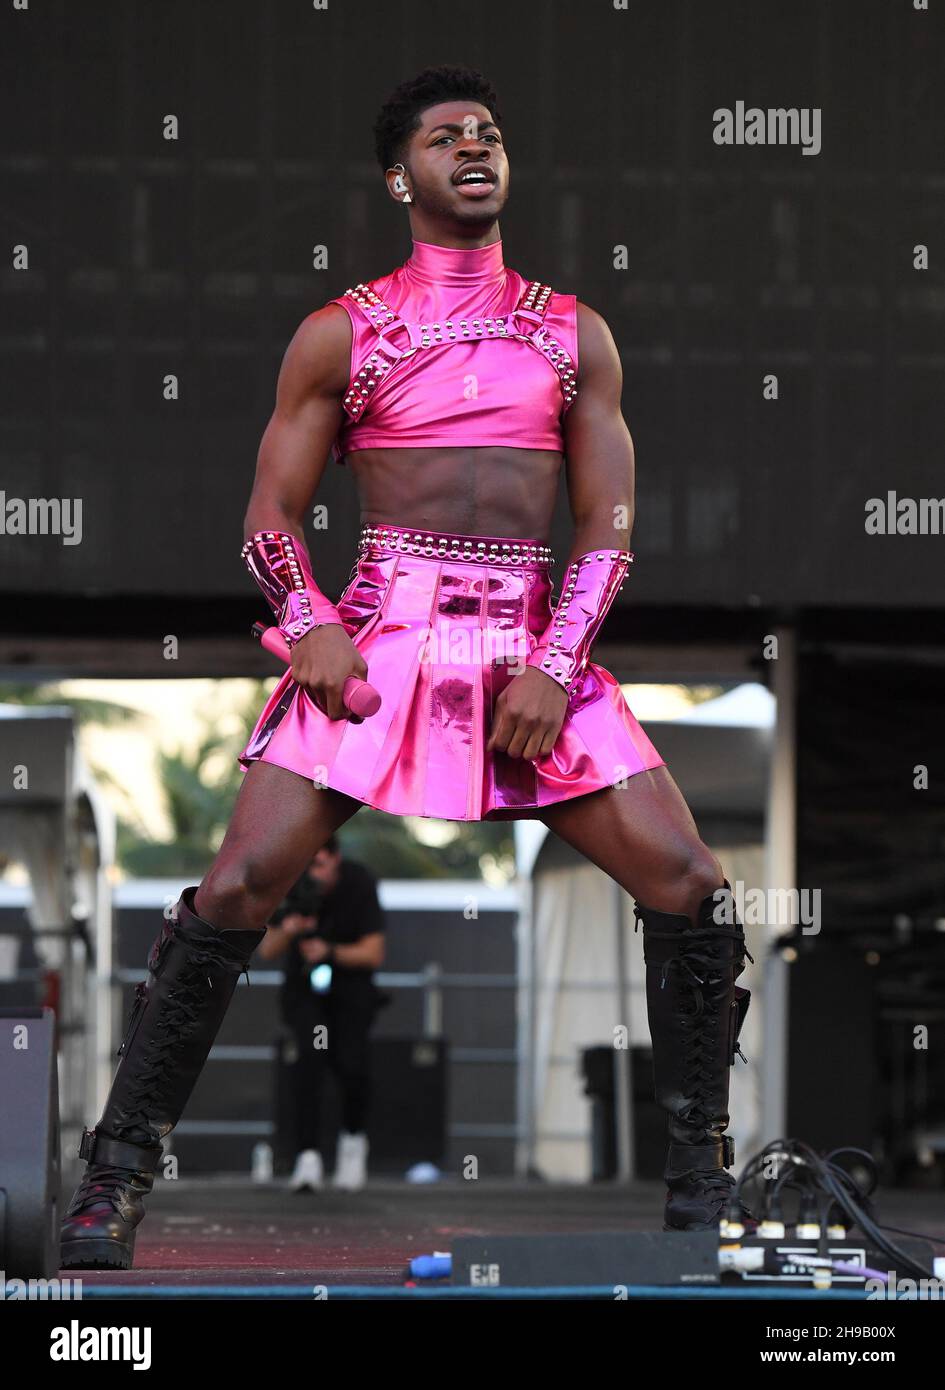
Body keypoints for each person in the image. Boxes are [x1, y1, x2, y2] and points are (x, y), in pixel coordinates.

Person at [60, 65, 753, 1271]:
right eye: (446, 138)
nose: (475, 147)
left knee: (693, 885)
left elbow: (609, 528)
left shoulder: (575, 332)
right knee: (234, 890)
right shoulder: (343, 329)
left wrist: (553, 661)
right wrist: (309, 616)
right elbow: (270, 513)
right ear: (402, 176)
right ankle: (113, 1177)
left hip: (531, 642)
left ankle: (703, 1192)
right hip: (382, 635)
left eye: (488, 134)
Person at [258, 838, 385, 1191]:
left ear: (335, 860)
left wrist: (329, 952)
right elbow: (267, 948)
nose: (312, 874)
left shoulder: (359, 883)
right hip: (305, 993)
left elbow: (373, 953)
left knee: (352, 1065)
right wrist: (290, 929)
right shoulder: (287, 882)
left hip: (350, 993)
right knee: (306, 1066)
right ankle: (307, 1156)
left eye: (319, 864)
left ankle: (353, 1144)